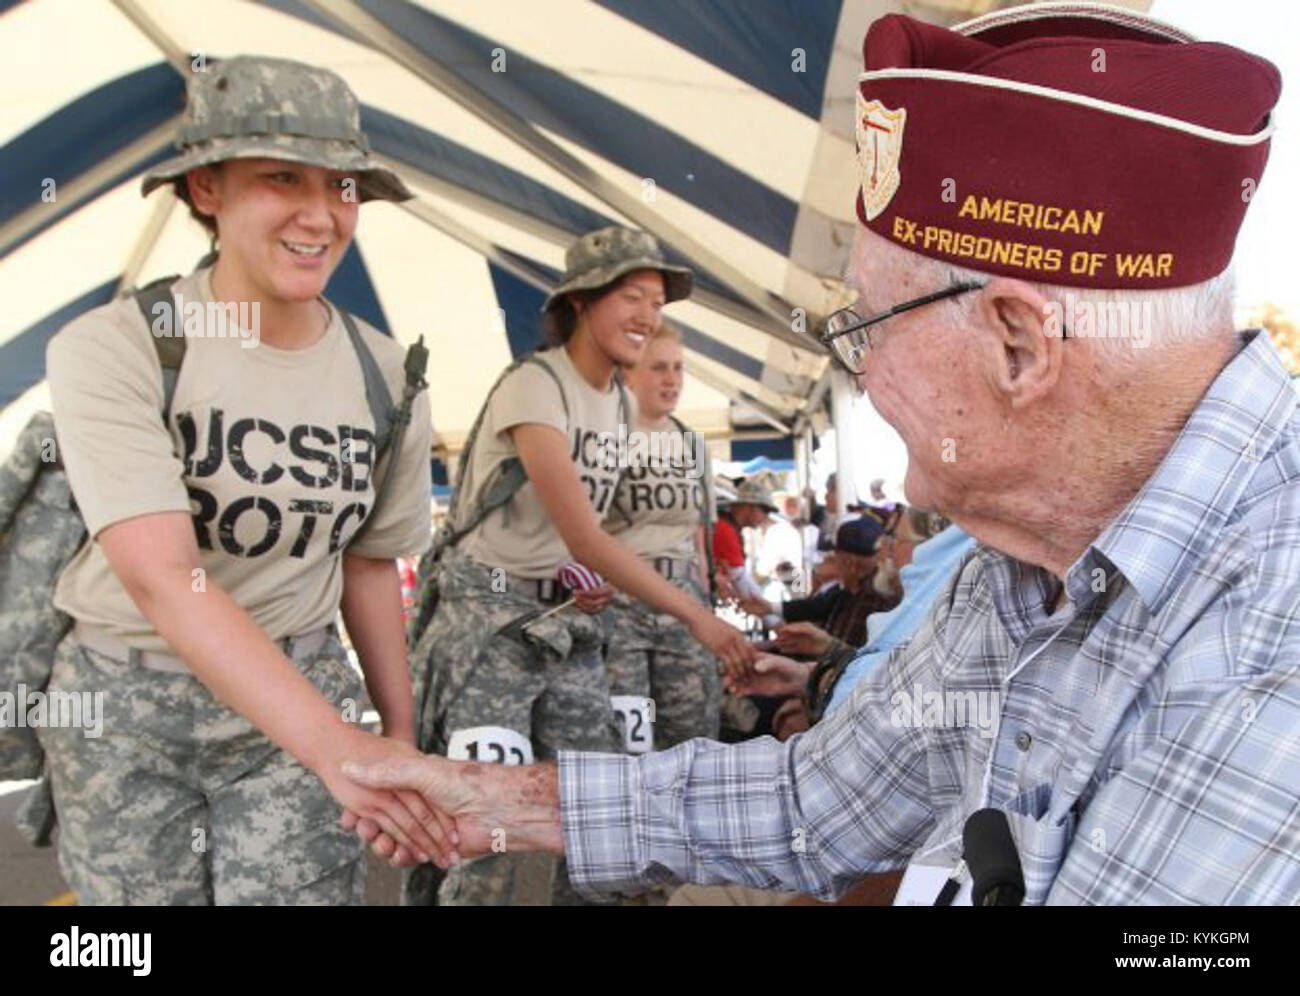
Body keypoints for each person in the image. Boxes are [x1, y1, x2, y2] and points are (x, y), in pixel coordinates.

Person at [343, 4, 1299, 905]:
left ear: (1019, 344)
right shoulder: (1021, 570)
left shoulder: (1273, 634)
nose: (861, 371)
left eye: (866, 328)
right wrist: (496, 801)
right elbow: (820, 802)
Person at [39, 55, 446, 904]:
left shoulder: (386, 377)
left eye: (341, 186)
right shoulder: (118, 347)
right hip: (125, 711)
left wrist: (397, 738)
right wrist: (342, 749)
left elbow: (368, 566)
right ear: (205, 190)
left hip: (297, 695)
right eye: (280, 178)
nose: (320, 214)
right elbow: (164, 580)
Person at [404, 225, 753, 906]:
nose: (649, 315)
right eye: (632, 296)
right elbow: (588, 533)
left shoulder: (620, 402)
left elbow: (573, 542)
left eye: (657, 301)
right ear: (584, 302)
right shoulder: (533, 385)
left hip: (564, 623)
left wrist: (575, 578)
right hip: (490, 623)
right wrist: (700, 620)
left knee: (598, 813)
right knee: (485, 827)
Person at [602, 324, 721, 749]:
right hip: (619, 604)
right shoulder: (604, 438)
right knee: (624, 744)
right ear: (628, 374)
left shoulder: (692, 445)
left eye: (678, 369)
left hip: (683, 599)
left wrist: (705, 605)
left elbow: (697, 540)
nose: (671, 380)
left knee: (692, 737)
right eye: (658, 368)